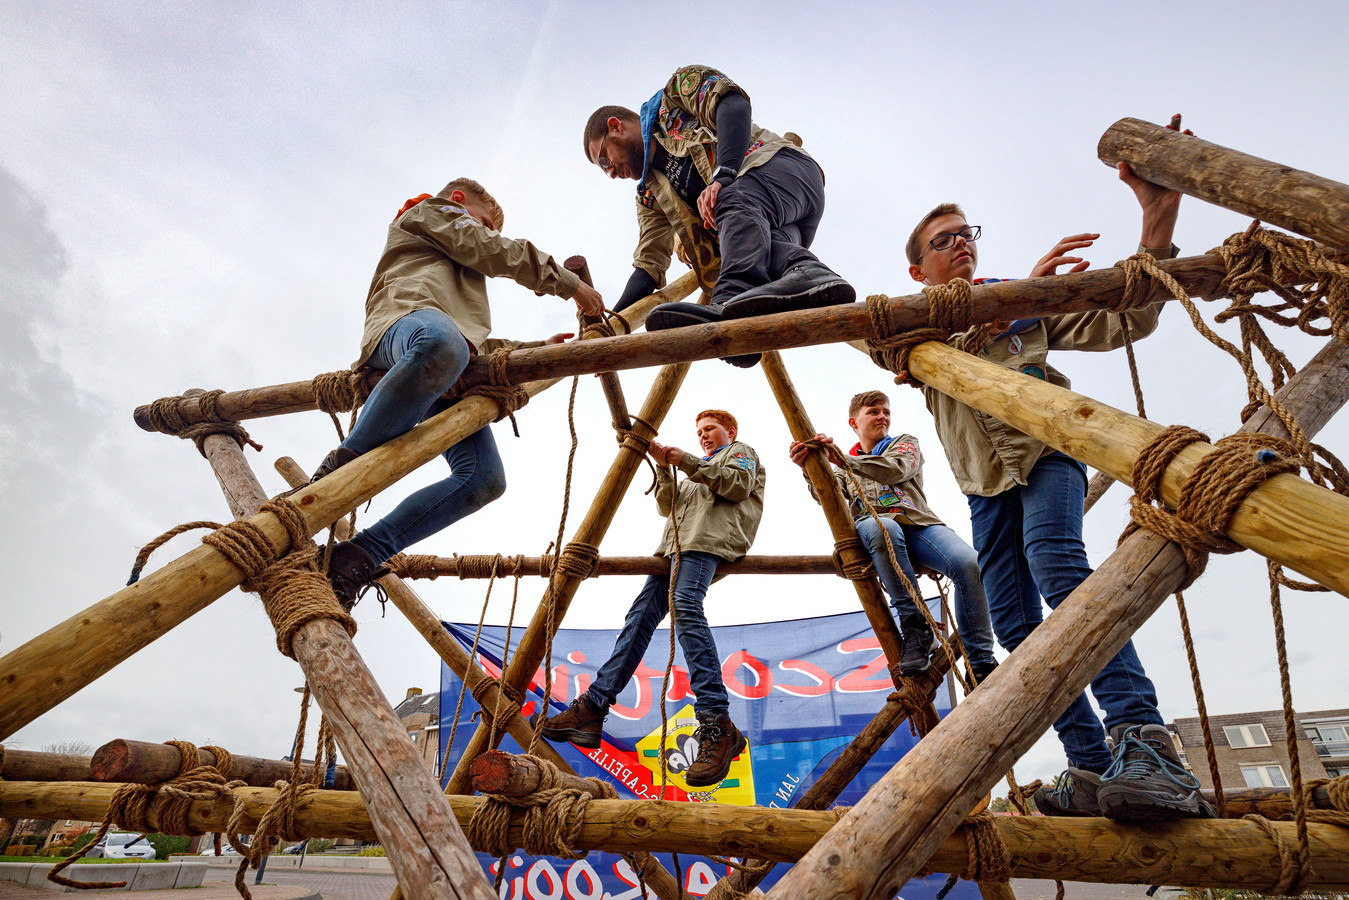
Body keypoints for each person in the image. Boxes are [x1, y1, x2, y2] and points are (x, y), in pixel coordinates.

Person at [902, 160, 1215, 822]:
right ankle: (1095, 768)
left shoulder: (1025, 302)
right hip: (985, 486)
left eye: (967, 233)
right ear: (916, 271)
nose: (962, 243)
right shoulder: (910, 325)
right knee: (1015, 622)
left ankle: (1146, 742)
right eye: (943, 240)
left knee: (1057, 565)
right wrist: (1006, 307)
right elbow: (897, 349)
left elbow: (1123, 322)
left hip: (1047, 456)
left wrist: (1156, 219)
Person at [311, 179, 603, 608]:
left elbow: (474, 349)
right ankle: (341, 470)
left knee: (484, 480)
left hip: (439, 363)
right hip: (405, 327)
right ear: (459, 200)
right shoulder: (430, 212)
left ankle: (361, 554)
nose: (488, 233)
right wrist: (570, 285)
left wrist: (536, 351)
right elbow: (489, 252)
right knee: (441, 345)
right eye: (485, 222)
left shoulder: (457, 292)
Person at [541, 409, 766, 788]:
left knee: (686, 606)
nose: (704, 435)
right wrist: (663, 467)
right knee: (639, 618)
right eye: (699, 431)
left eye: (710, 429)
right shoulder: (701, 468)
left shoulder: (740, 453)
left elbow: (738, 487)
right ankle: (594, 706)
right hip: (674, 548)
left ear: (730, 430)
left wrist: (687, 461)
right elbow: (667, 505)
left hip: (705, 544)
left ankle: (716, 720)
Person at [581, 64, 853, 366]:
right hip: (777, 226)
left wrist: (723, 175)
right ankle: (806, 276)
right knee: (771, 253)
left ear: (616, 126)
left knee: (728, 195)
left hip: (784, 171)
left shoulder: (675, 96)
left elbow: (732, 104)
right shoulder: (650, 195)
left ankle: (730, 300)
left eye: (604, 161)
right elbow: (649, 266)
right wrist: (615, 324)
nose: (611, 174)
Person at [788, 390, 999, 682]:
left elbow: (896, 469)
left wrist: (842, 461)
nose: (882, 416)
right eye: (873, 411)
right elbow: (827, 496)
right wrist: (811, 471)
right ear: (854, 422)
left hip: (918, 524)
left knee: (970, 565)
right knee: (882, 528)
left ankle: (980, 662)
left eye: (886, 411)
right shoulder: (842, 467)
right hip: (874, 527)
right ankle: (916, 625)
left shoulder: (903, 444)